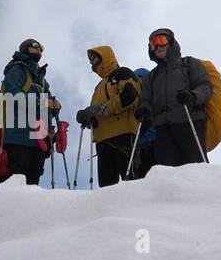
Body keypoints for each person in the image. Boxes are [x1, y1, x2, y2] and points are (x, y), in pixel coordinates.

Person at [135, 28, 212, 167]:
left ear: (170, 42)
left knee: (195, 168)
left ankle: (200, 189)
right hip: (163, 128)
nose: (157, 46)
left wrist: (193, 96)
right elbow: (146, 99)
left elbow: (205, 87)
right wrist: (144, 108)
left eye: (161, 40)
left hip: (189, 122)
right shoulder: (152, 77)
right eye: (153, 44)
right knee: (168, 173)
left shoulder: (189, 64)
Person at [74, 46, 141, 186]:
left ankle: (137, 207)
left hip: (123, 134)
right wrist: (89, 117)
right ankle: (109, 208)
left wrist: (99, 110)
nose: (92, 62)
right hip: (102, 140)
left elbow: (130, 95)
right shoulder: (99, 86)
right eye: (90, 60)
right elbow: (97, 110)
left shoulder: (122, 73)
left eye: (95, 58)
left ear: (105, 56)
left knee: (131, 182)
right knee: (106, 187)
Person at [1, 39, 61, 185]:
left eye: (41, 48)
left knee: (34, 179)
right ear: (25, 49)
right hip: (18, 134)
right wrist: (44, 102)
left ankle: (29, 208)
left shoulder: (41, 78)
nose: (39, 50)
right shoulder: (17, 69)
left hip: (38, 138)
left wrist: (54, 106)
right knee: (18, 179)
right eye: (35, 47)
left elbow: (47, 101)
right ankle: (15, 207)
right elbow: (13, 96)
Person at [130, 68, 157, 177]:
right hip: (139, 144)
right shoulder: (133, 98)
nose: (137, 81)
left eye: (140, 78)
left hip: (153, 142)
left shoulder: (153, 96)